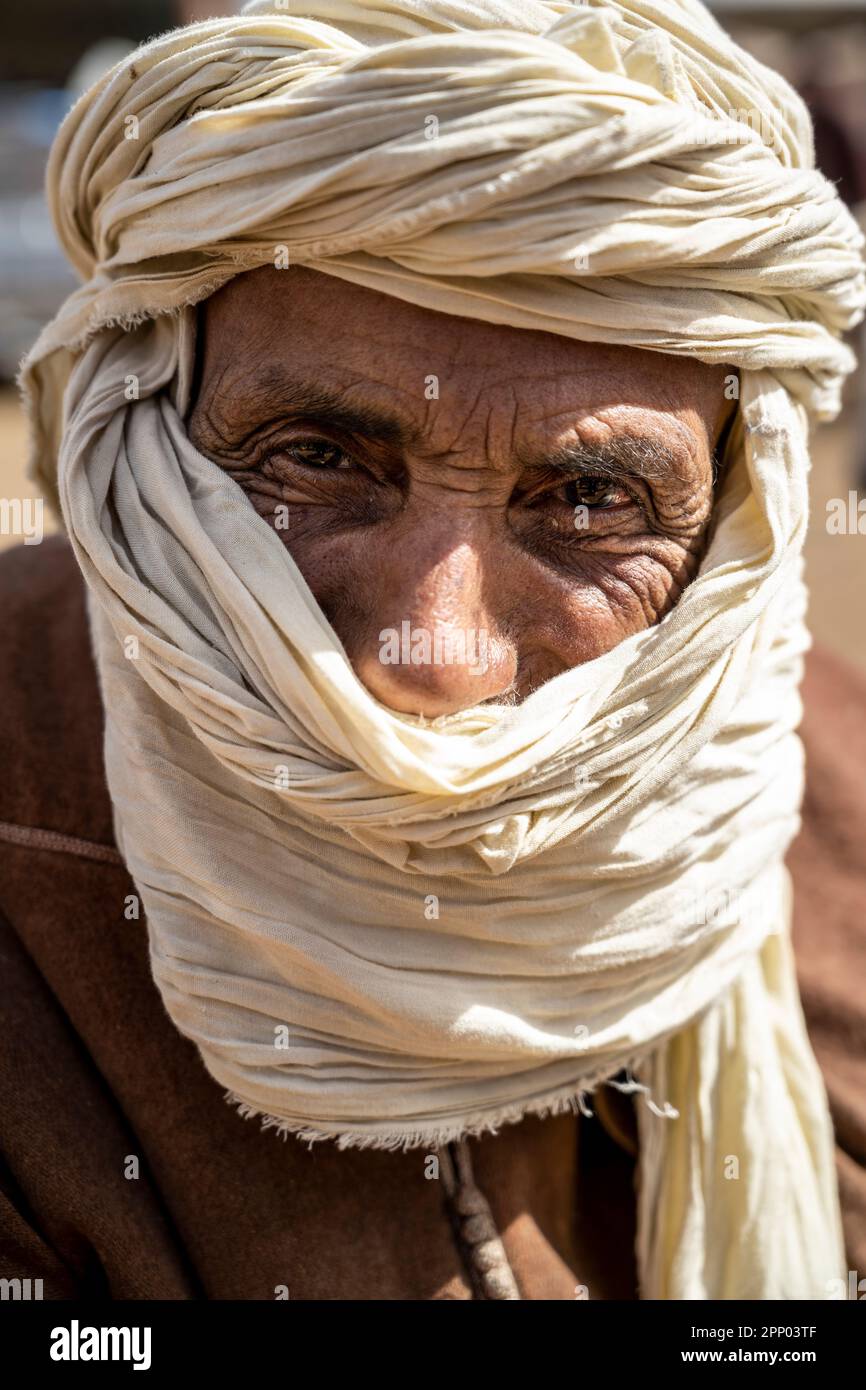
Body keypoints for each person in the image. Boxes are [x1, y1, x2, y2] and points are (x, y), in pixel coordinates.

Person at [1, 0, 865, 1301]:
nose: (435, 660)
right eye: (313, 459)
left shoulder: (844, 813)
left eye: (587, 499)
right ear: (144, 446)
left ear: (734, 525)